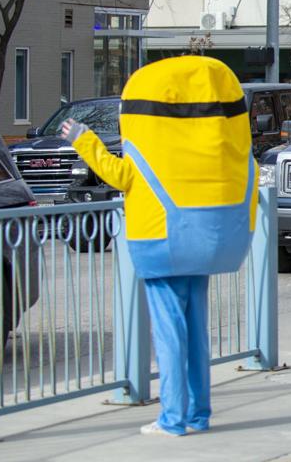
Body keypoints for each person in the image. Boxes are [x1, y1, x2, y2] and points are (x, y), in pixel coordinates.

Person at [61, 56, 256, 436]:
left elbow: (118, 175)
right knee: (196, 332)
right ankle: (199, 414)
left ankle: (172, 418)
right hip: (208, 238)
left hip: (162, 240)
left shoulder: (148, 147)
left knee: (170, 333)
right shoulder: (211, 144)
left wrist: (83, 139)